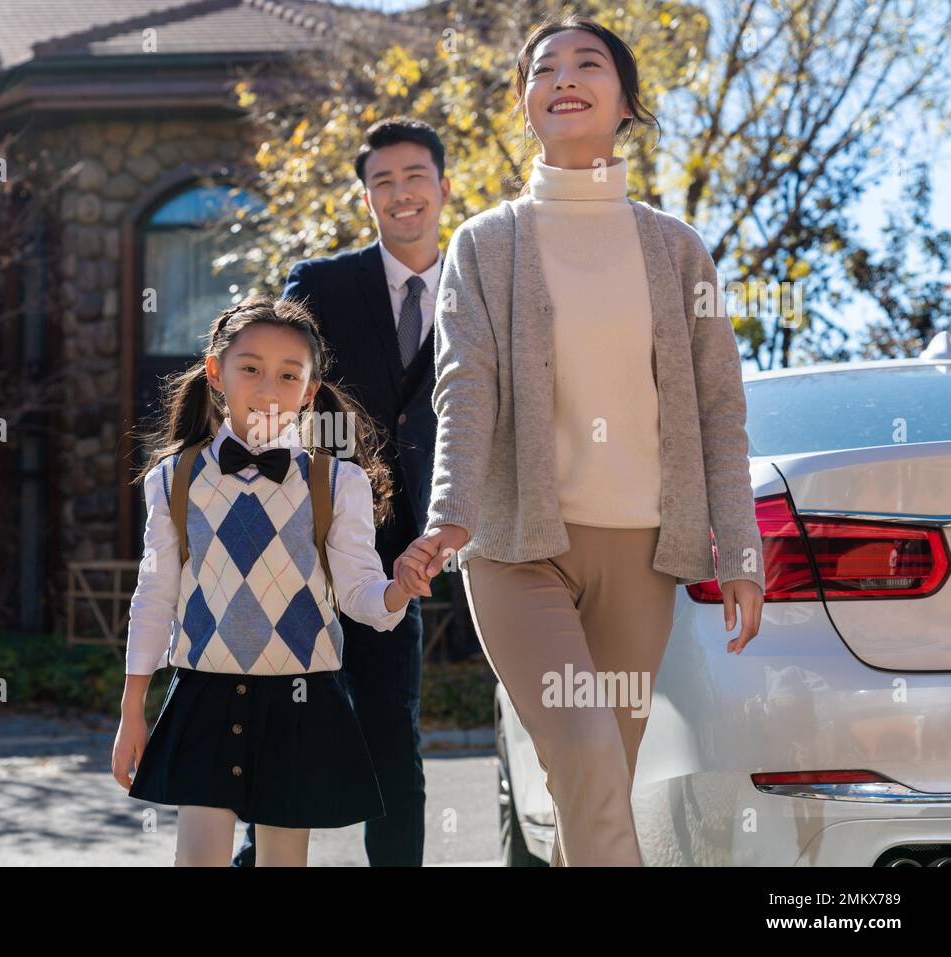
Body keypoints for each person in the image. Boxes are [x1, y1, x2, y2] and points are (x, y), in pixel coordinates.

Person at [395, 14, 765, 866]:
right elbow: (466, 387)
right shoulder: (485, 243)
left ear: (626, 100)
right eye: (542, 68)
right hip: (519, 549)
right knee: (590, 762)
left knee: (593, 792)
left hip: (643, 556)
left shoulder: (678, 251)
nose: (563, 77)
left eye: (587, 63)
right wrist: (449, 515)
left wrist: (738, 548)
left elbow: (719, 406)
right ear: (525, 104)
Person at [112, 293, 414, 866]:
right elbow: (155, 595)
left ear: (310, 389)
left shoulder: (337, 482)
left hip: (301, 696)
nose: (268, 388)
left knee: (282, 860)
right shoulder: (174, 478)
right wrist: (133, 709)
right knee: (196, 859)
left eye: (288, 375)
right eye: (250, 368)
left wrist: (401, 585)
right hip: (204, 689)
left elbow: (362, 598)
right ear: (215, 373)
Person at [234, 116, 449, 868]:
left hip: (410, 554)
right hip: (306, 541)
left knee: (393, 731)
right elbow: (281, 392)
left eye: (414, 176)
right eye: (382, 182)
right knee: (284, 725)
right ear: (366, 199)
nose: (400, 194)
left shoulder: (477, 290)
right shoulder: (322, 284)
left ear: (443, 186)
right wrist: (321, 487)